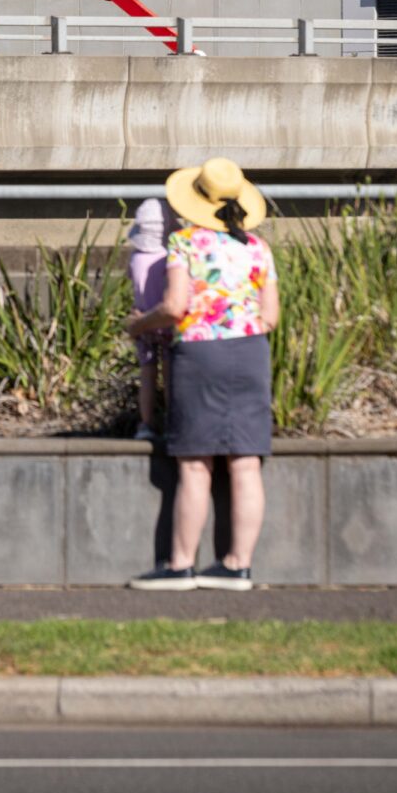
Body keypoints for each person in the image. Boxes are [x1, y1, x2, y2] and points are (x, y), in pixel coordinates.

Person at [124, 157, 280, 592]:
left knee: (195, 464)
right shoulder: (258, 248)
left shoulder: (185, 244)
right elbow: (270, 317)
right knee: (246, 462)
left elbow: (175, 307)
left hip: (200, 353)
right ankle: (237, 566)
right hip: (251, 353)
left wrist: (138, 323)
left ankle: (180, 566)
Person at [126, 198, 172, 440]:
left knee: (147, 374)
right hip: (165, 321)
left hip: (140, 321)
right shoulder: (168, 257)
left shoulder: (135, 258)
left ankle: (146, 423)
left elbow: (130, 278)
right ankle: (172, 421)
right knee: (169, 372)